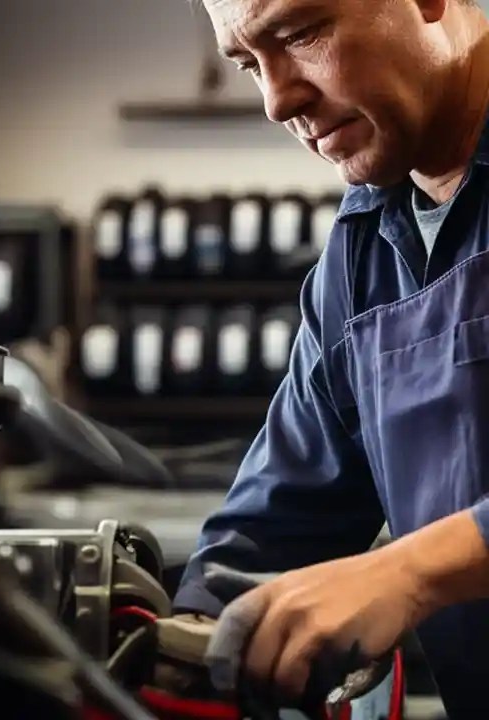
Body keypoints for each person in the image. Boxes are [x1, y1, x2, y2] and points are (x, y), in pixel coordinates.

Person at [175, 1, 489, 717]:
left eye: (301, 34)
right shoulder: (360, 256)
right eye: (250, 64)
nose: (276, 97)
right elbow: (285, 509)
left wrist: (409, 573)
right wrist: (193, 635)